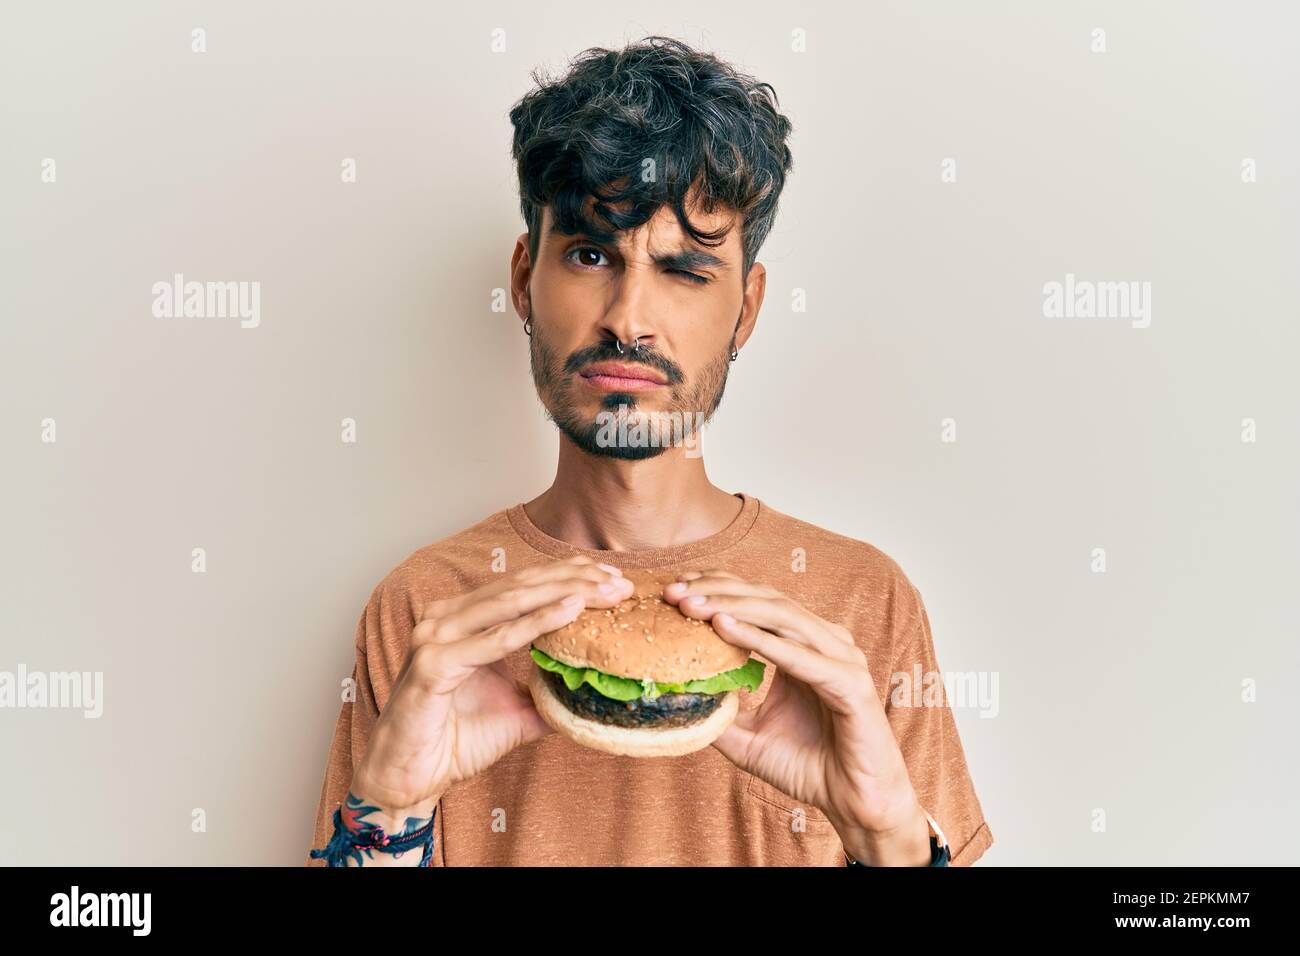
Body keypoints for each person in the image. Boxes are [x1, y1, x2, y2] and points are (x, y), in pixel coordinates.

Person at [307, 36, 993, 867]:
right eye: (591, 254)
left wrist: (886, 834)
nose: (629, 317)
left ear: (747, 309)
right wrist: (389, 808)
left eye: (685, 270)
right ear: (525, 279)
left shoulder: (860, 606)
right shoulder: (427, 612)